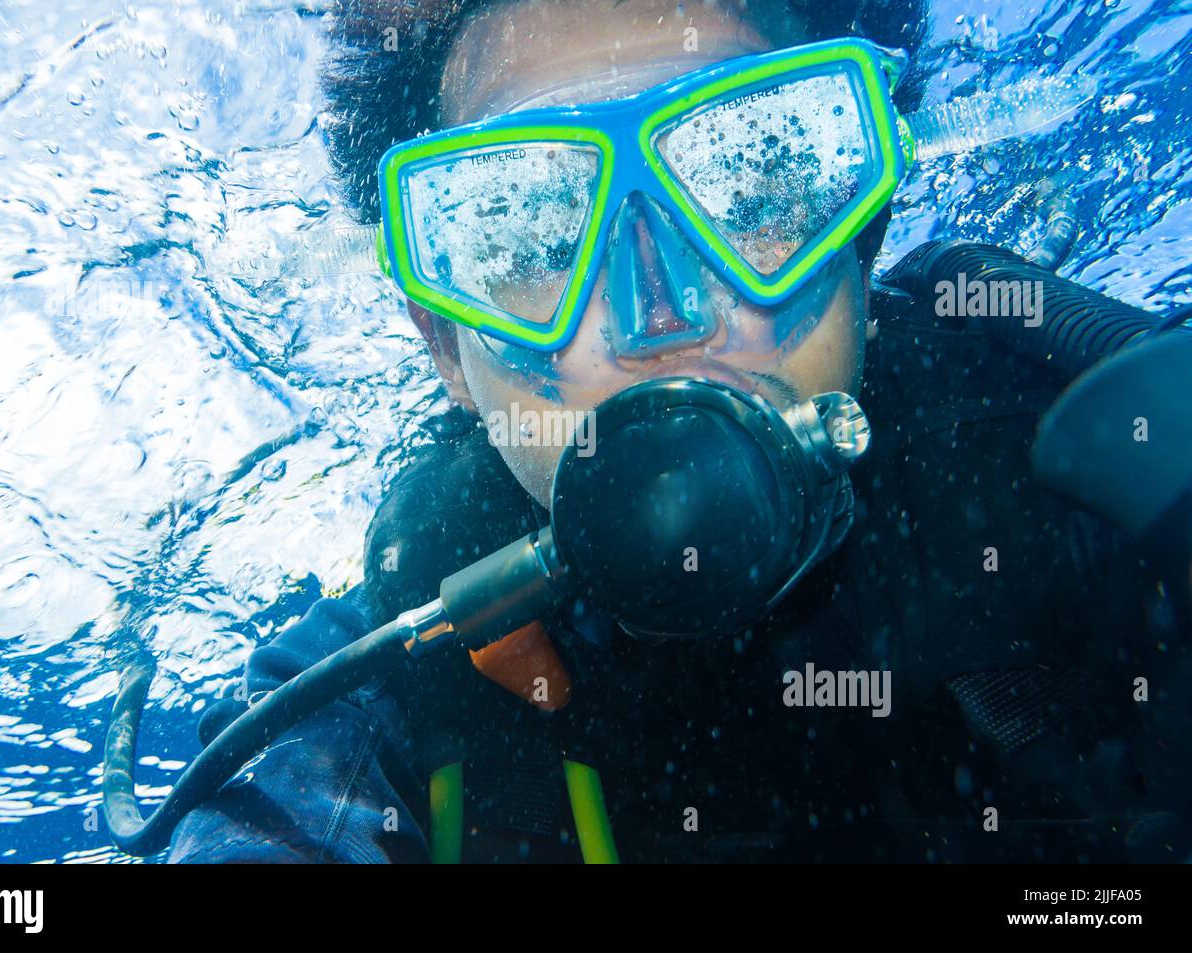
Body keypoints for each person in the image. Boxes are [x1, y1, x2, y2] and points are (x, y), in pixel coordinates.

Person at [166, 0, 1191, 863]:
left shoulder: (1081, 462)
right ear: (446, 350)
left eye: (756, 174)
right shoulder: (384, 680)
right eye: (522, 224)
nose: (667, 312)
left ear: (862, 246)